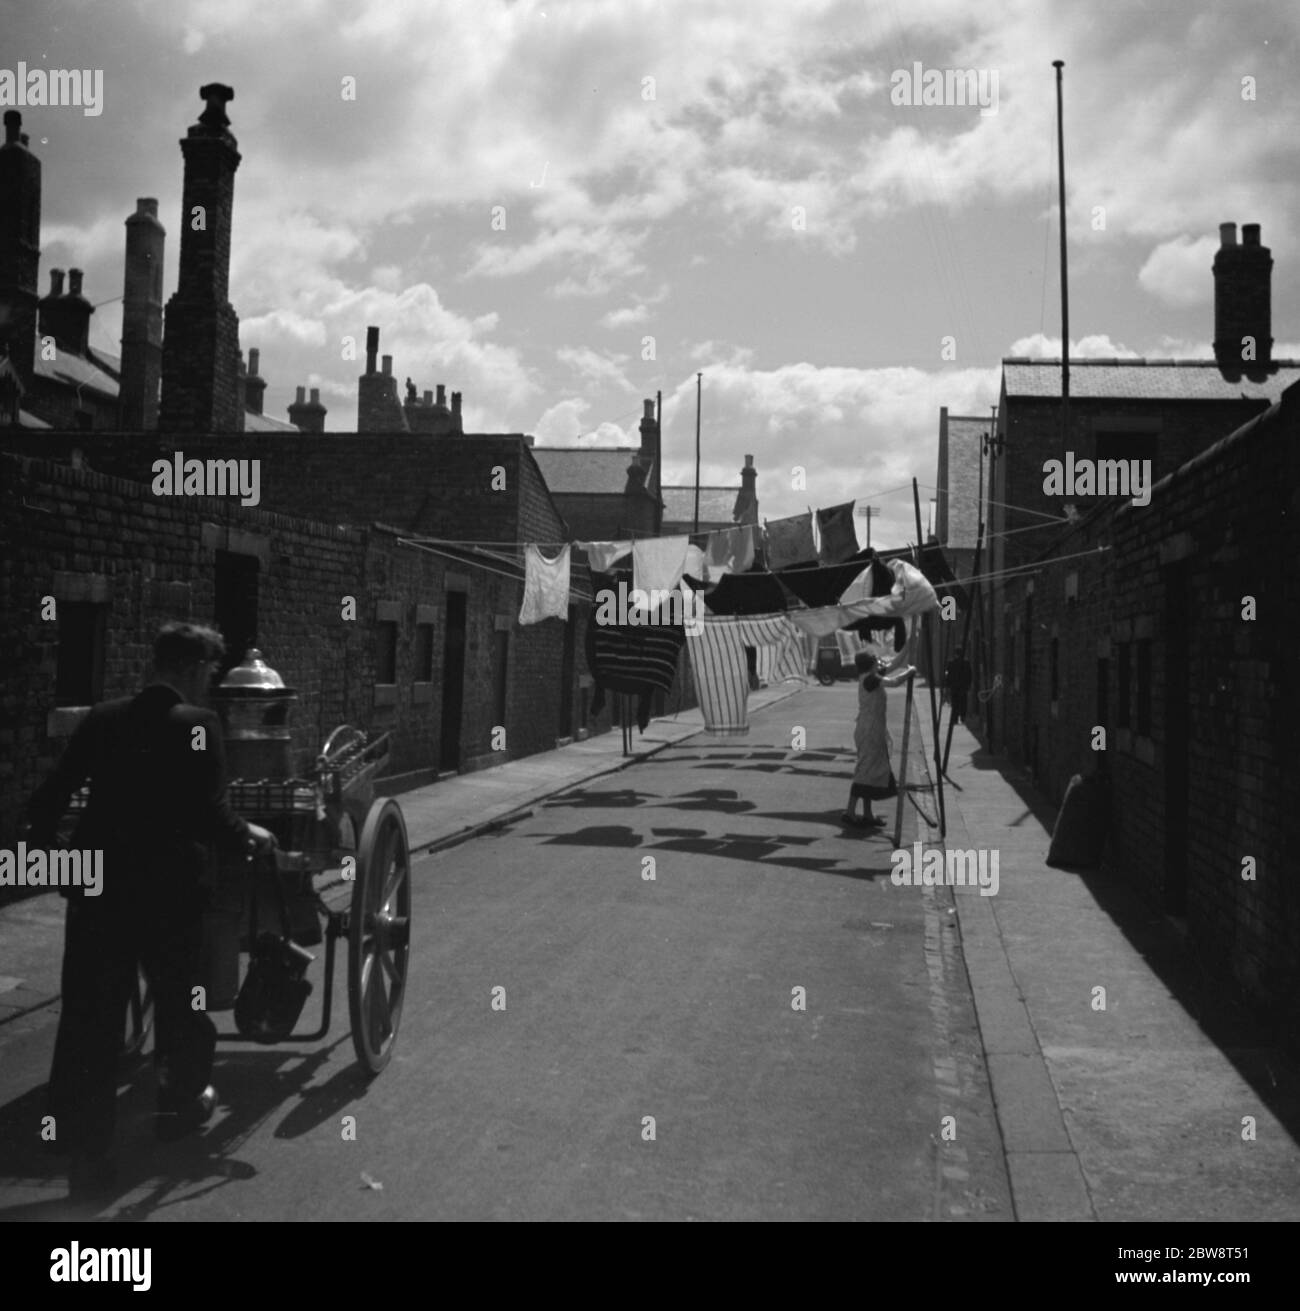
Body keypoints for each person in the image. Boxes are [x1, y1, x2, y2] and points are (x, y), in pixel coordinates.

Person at [23, 621, 276, 1201]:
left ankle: (88, 1156)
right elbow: (208, 814)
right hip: (168, 895)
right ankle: (179, 1105)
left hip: (97, 891)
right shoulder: (198, 726)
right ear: (192, 669)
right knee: (180, 1002)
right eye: (209, 673)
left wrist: (55, 864)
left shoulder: (103, 717)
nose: (209, 684)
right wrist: (251, 836)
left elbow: (49, 799)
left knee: (90, 1019)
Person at [842, 647, 915, 830]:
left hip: (874, 729)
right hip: (869, 730)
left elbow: (895, 664)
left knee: (870, 772)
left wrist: (909, 643)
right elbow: (894, 681)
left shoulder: (871, 675)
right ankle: (850, 811)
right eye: (876, 659)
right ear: (871, 663)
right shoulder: (871, 679)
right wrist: (911, 671)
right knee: (865, 770)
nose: (880, 661)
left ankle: (867, 814)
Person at [945, 646, 973, 725]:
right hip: (963, 687)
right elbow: (970, 675)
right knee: (963, 702)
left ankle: (955, 718)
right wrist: (968, 685)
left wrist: (947, 685)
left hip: (954, 687)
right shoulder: (966, 663)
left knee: (955, 703)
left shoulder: (951, 663)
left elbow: (947, 675)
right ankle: (963, 717)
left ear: (955, 654)